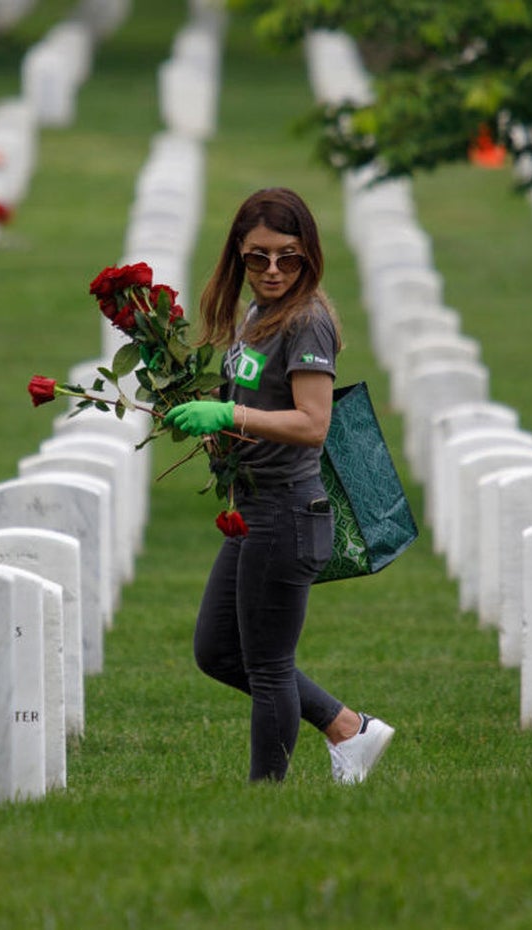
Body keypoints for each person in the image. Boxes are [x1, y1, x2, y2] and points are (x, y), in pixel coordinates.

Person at [163, 187, 395, 784]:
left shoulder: (306, 321)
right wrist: (216, 426)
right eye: (257, 257)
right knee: (217, 651)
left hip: (287, 511)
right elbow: (258, 401)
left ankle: (265, 801)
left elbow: (313, 424)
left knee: (268, 666)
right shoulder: (255, 315)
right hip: (254, 506)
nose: (272, 270)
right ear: (238, 255)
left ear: (308, 255)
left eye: (288, 257)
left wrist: (230, 415)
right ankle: (349, 727)